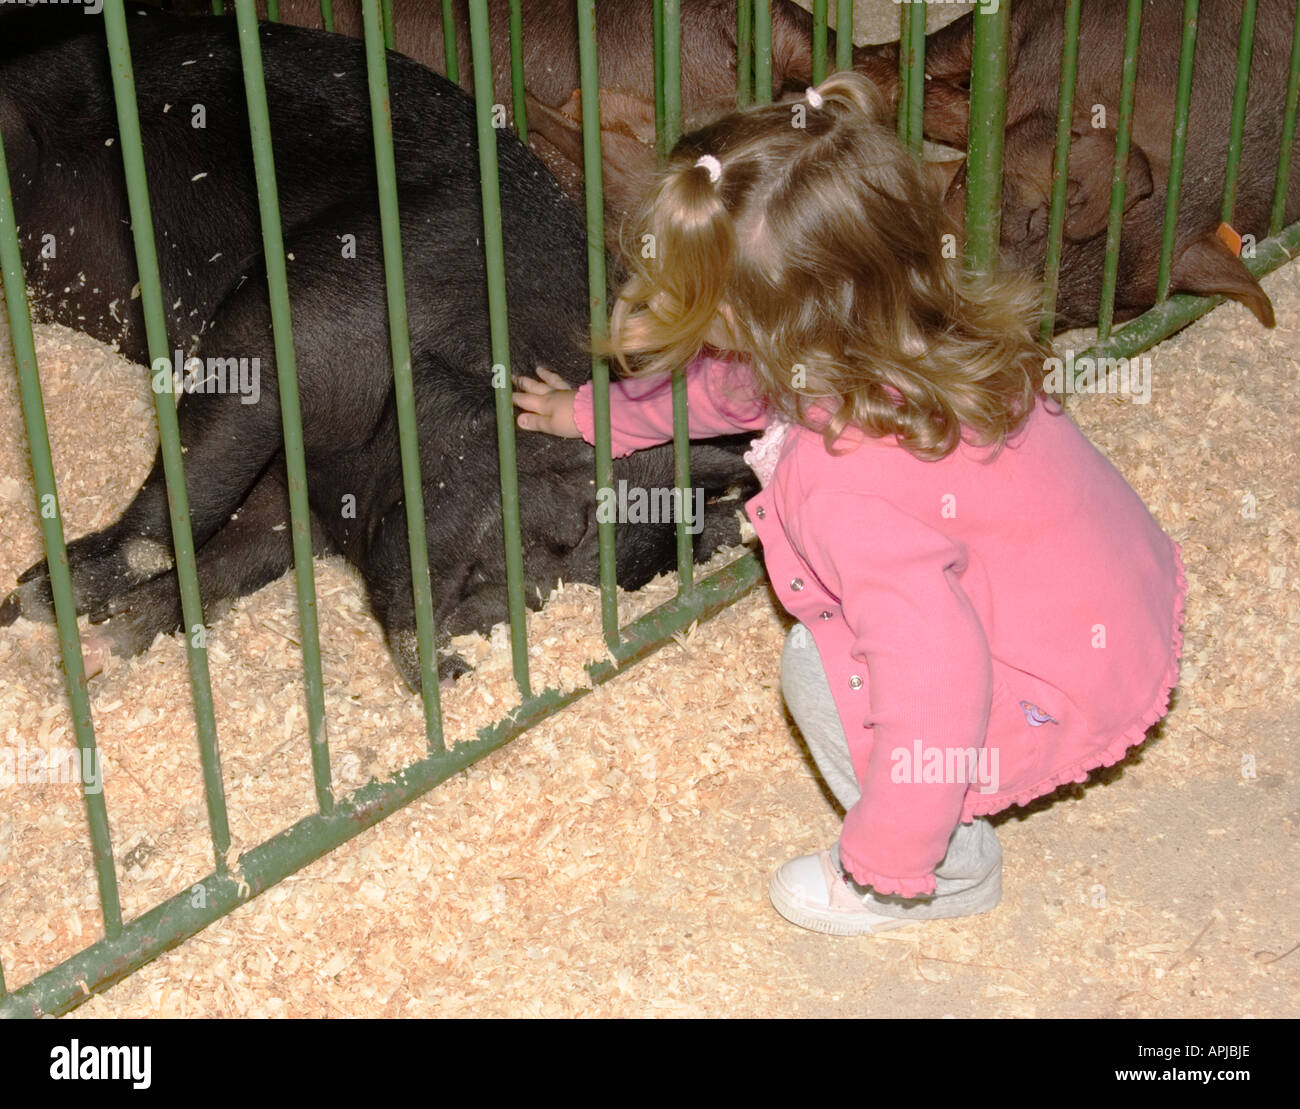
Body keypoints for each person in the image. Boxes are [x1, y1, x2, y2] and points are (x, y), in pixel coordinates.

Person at [512, 72, 1186, 935]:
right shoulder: (902, 319)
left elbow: (937, 675)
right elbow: (730, 391)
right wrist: (593, 414)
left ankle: (949, 866)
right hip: (1113, 595)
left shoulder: (848, 485)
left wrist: (889, 858)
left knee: (813, 666)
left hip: (1061, 676)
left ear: (755, 325)